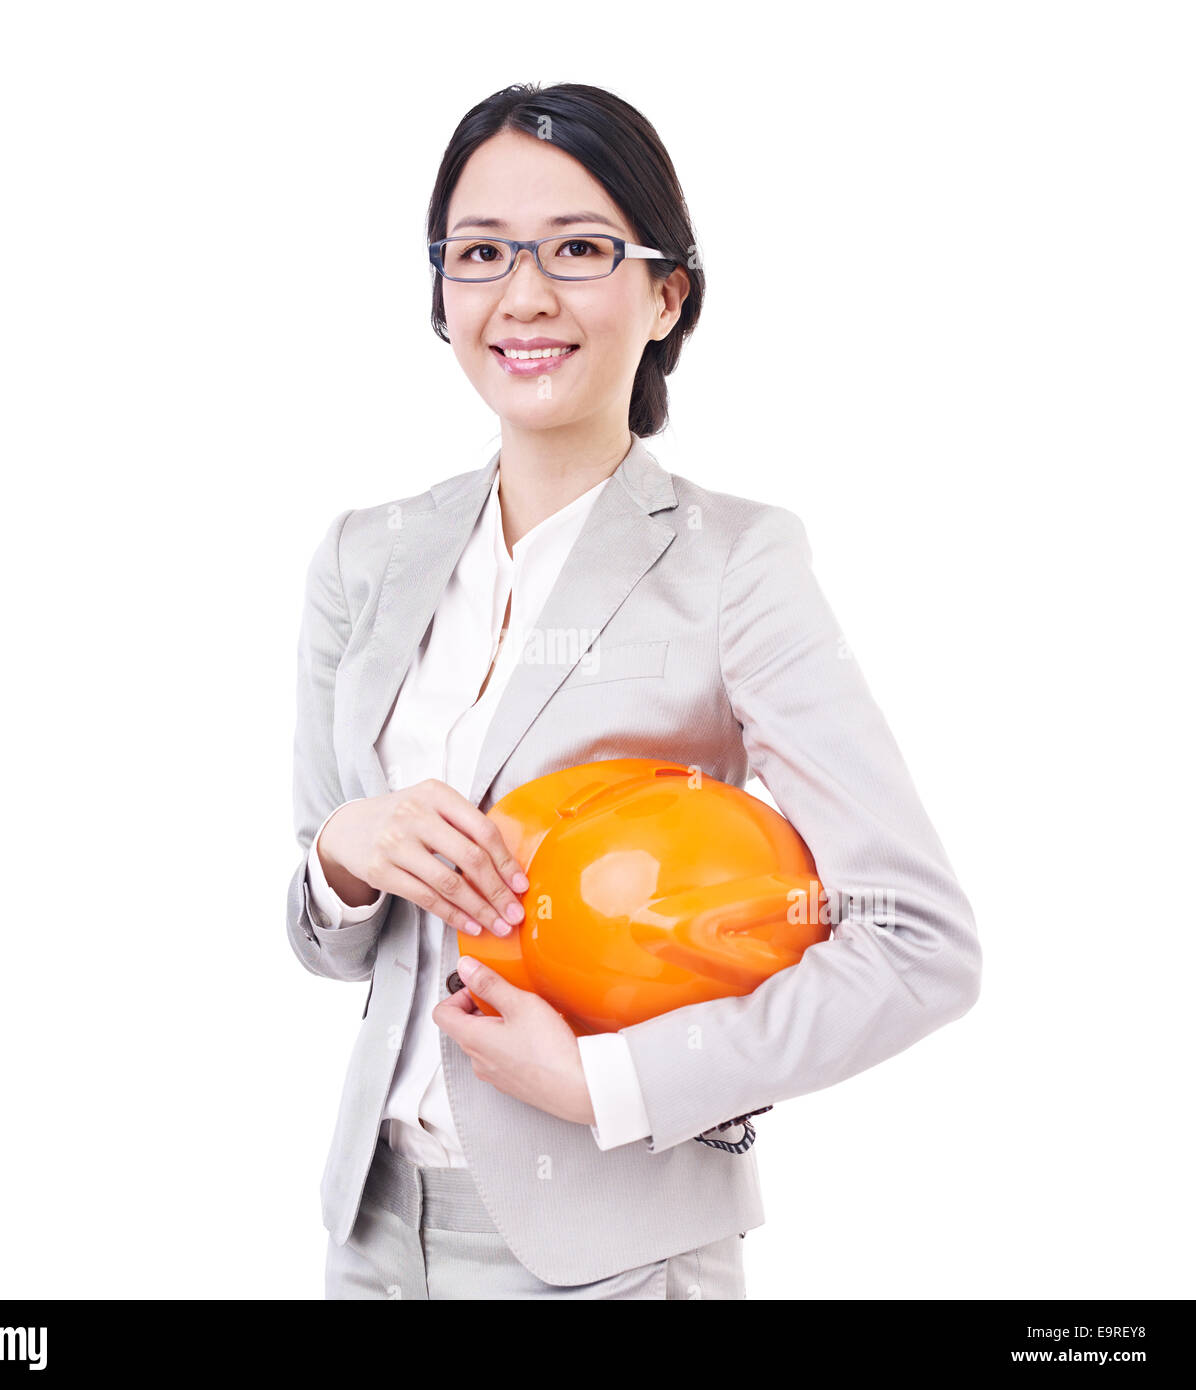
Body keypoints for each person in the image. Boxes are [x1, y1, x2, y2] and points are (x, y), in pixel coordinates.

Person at [286, 81, 982, 1300]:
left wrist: (607, 1085)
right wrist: (345, 853)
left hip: (610, 1253)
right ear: (440, 288)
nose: (525, 294)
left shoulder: (735, 562)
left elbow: (918, 942)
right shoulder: (363, 555)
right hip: (372, 1232)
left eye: (579, 248)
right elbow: (332, 943)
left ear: (667, 294)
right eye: (482, 252)